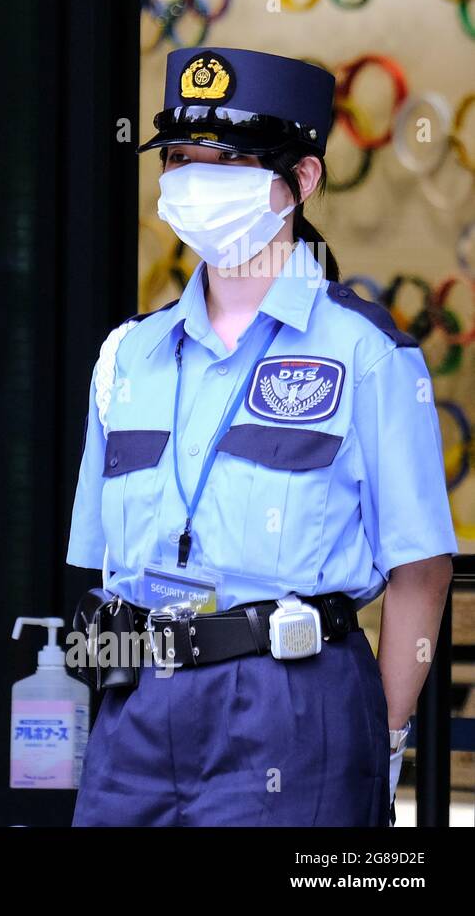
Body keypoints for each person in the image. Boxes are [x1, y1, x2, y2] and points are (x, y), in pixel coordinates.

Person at [65, 47, 456, 826]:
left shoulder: (367, 353)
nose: (193, 180)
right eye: (179, 158)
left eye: (228, 161)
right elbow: (94, 566)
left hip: (293, 704)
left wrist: (378, 740)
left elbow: (422, 567)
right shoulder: (127, 356)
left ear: (301, 181)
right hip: (136, 706)